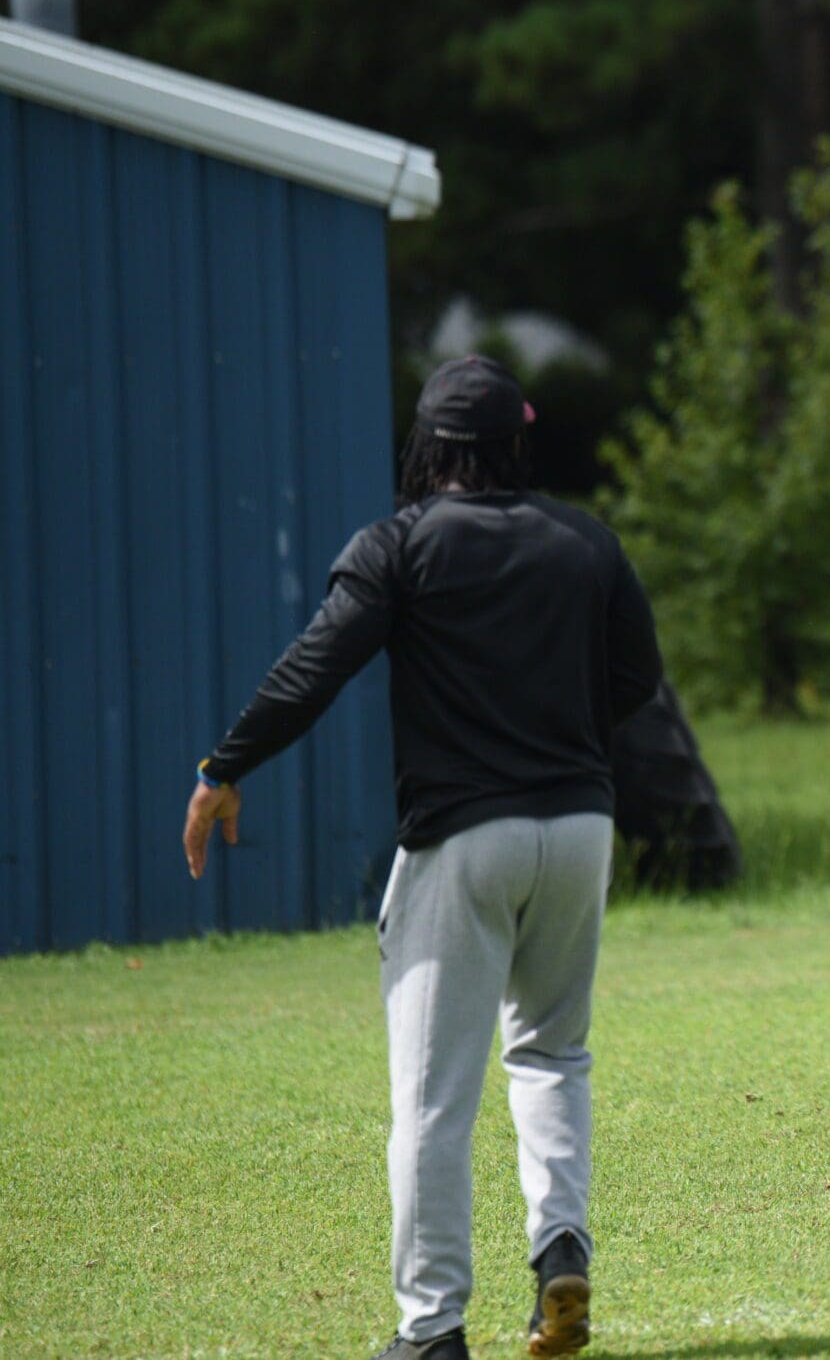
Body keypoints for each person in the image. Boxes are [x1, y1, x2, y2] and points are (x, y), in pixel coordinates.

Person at [183, 357, 663, 1360]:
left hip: (463, 842)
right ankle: (560, 1245)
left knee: (434, 1099)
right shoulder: (588, 543)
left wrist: (227, 765)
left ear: (429, 449)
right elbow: (636, 682)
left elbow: (315, 667)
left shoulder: (398, 548)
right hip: (580, 829)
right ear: (516, 441)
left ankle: (431, 1329)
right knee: (551, 1051)